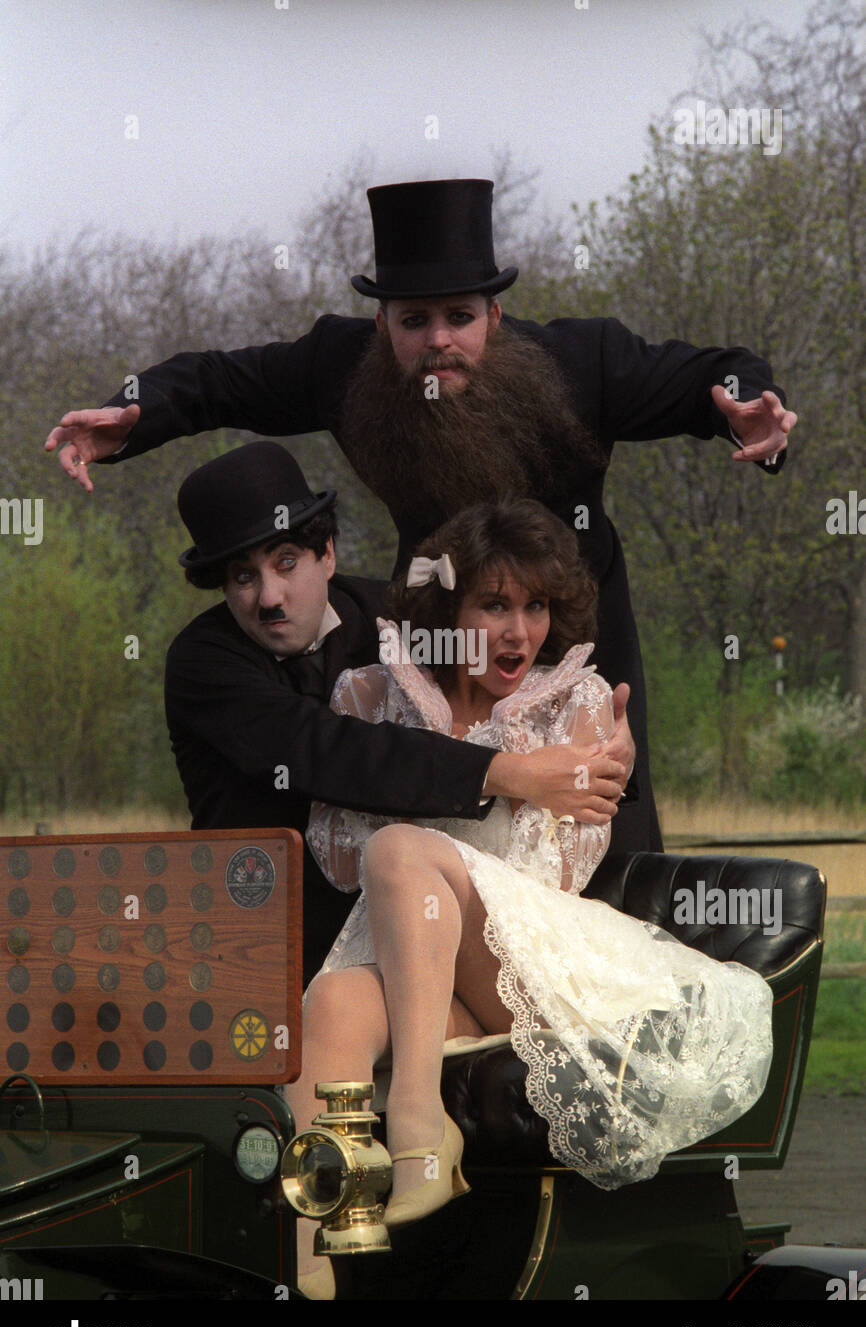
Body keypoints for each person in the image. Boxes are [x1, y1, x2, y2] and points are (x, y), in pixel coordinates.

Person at [43, 180, 798, 863]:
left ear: (495, 316)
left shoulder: (581, 362)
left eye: (459, 317)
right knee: (449, 850)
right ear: (382, 325)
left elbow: (711, 371)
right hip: (440, 645)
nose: (438, 339)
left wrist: (745, 410)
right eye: (414, 320)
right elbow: (219, 381)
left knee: (606, 848)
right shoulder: (344, 371)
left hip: (574, 648)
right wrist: (133, 414)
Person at [287, 497, 773, 1298]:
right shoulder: (369, 695)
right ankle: (313, 1257)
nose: (519, 633)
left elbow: (563, 869)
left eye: (536, 607)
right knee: (333, 1004)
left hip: (536, 963)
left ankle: (417, 1122)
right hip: (429, 974)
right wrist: (435, 756)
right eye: (494, 605)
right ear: (447, 607)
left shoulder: (573, 702)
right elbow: (338, 858)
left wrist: (595, 775)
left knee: (399, 847)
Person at [167, 441, 633, 980]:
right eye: (244, 577)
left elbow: (526, 672)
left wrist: (613, 745)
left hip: (415, 928)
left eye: (287, 563)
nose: (270, 596)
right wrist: (507, 774)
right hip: (258, 930)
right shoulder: (202, 662)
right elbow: (331, 750)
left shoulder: (392, 618)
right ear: (222, 587)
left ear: (329, 554)